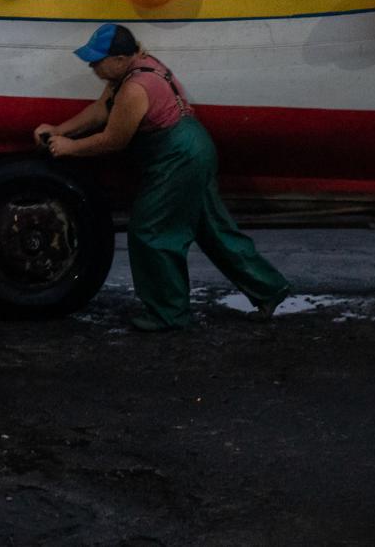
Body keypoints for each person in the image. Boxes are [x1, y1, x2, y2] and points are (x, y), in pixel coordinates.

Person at [34, 24, 290, 331]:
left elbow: (113, 140)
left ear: (119, 58)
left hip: (179, 157)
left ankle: (168, 314)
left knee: (150, 230)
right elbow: (101, 110)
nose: (92, 66)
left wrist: (70, 148)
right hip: (193, 148)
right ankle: (269, 289)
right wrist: (60, 130)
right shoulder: (130, 71)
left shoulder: (133, 88)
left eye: (97, 60)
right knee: (213, 229)